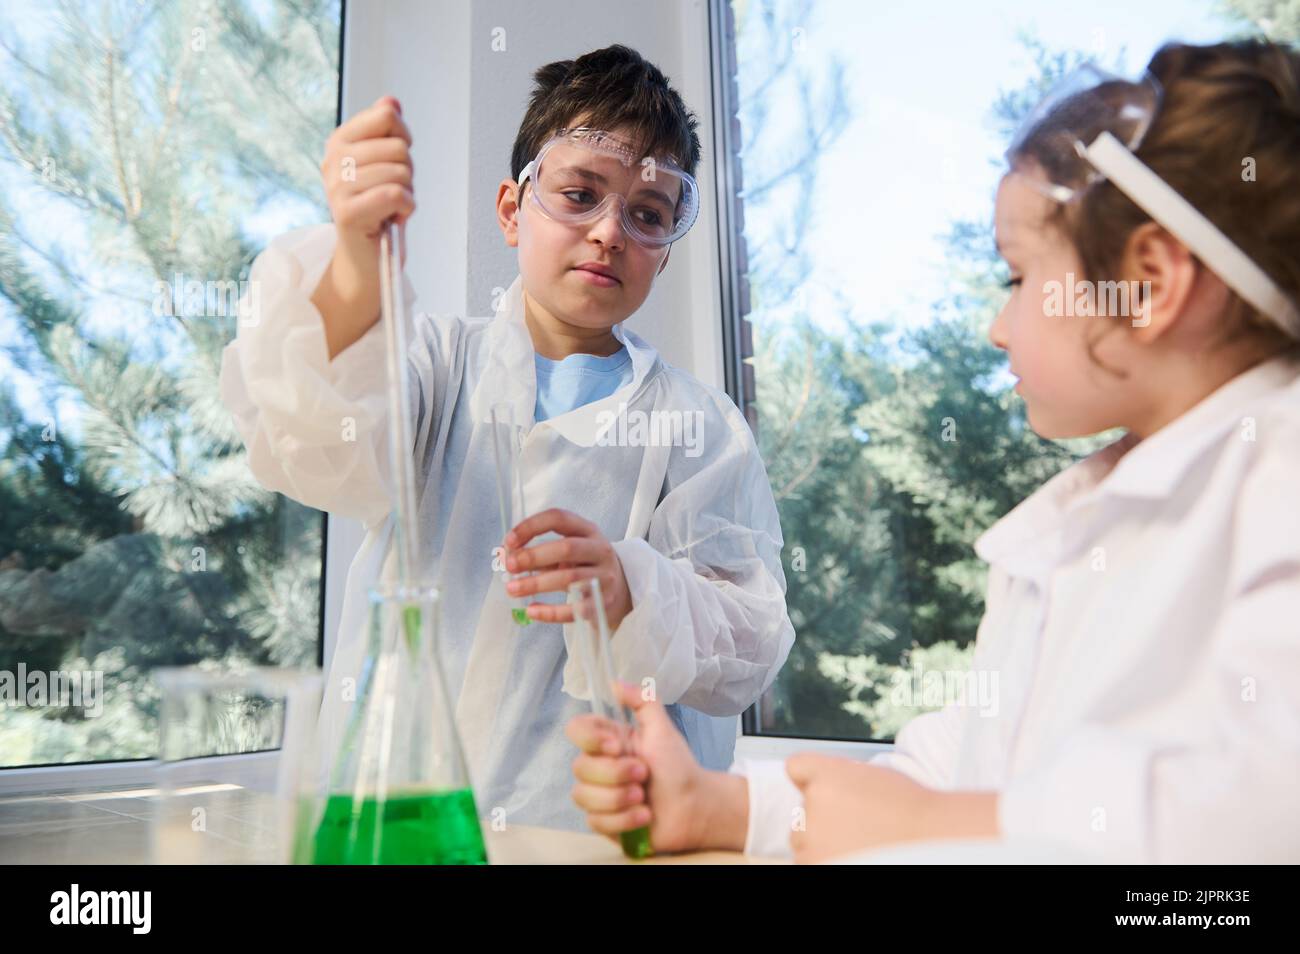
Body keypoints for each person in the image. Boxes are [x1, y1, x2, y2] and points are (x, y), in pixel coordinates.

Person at [567, 40, 1300, 863]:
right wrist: (722, 810)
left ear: (1152, 285)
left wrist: (918, 830)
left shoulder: (1278, 479)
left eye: (1018, 278)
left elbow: (1257, 818)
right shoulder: (1074, 531)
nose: (997, 324)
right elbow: (948, 774)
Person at [219, 45, 794, 830]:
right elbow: (313, 441)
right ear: (512, 209)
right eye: (579, 194)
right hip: (397, 817)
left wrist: (634, 587)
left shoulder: (701, 429)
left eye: (648, 214)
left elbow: (751, 641)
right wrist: (358, 256)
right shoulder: (432, 366)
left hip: (592, 837)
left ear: (665, 250)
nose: (608, 233)